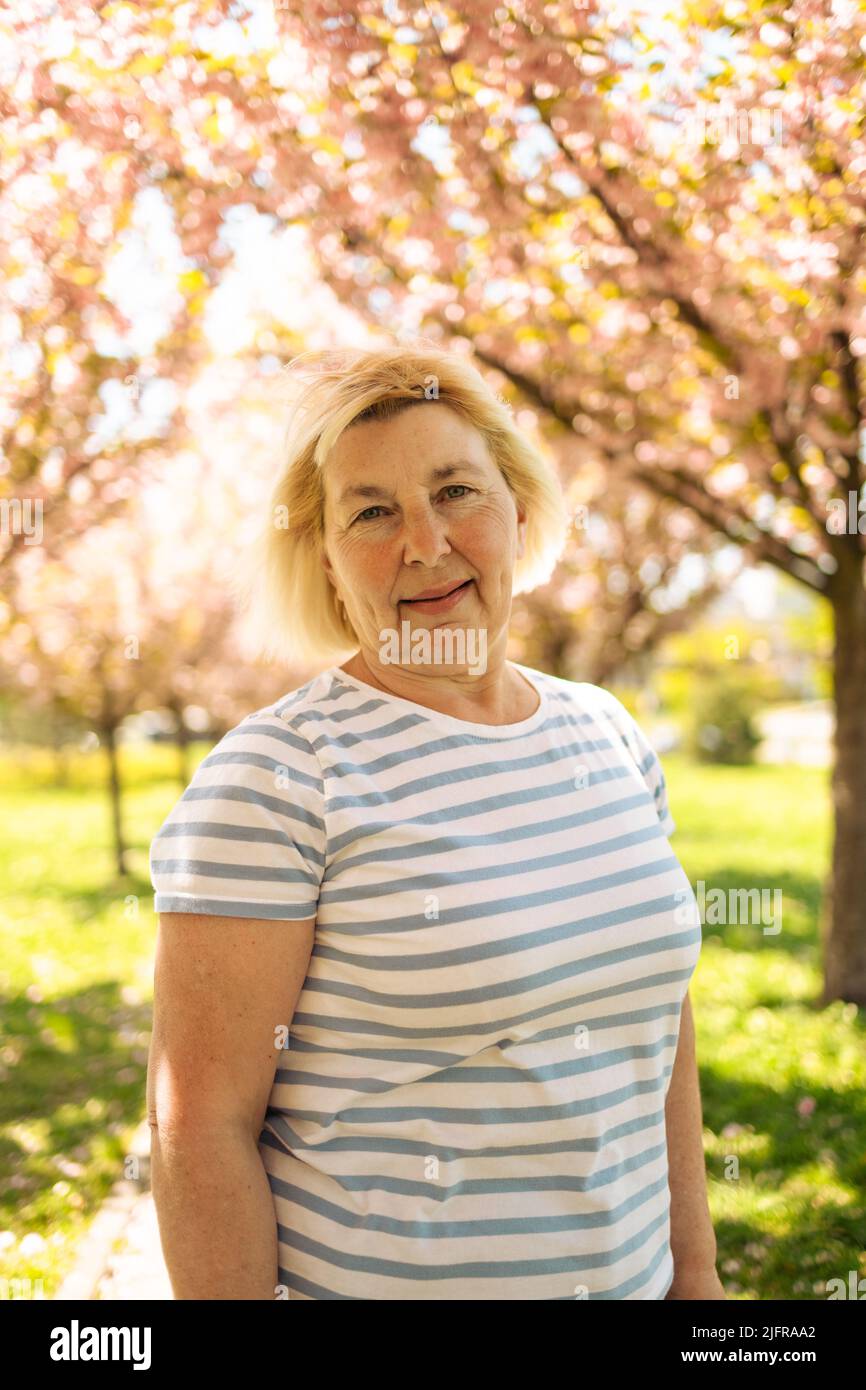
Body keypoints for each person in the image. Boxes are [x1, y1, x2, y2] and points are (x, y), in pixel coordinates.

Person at [147, 342, 724, 1300]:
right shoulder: (275, 778)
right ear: (328, 564)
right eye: (372, 512)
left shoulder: (608, 734)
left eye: (456, 491)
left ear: (519, 508)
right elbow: (198, 1126)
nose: (424, 541)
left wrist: (696, 1278)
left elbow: (658, 1032)